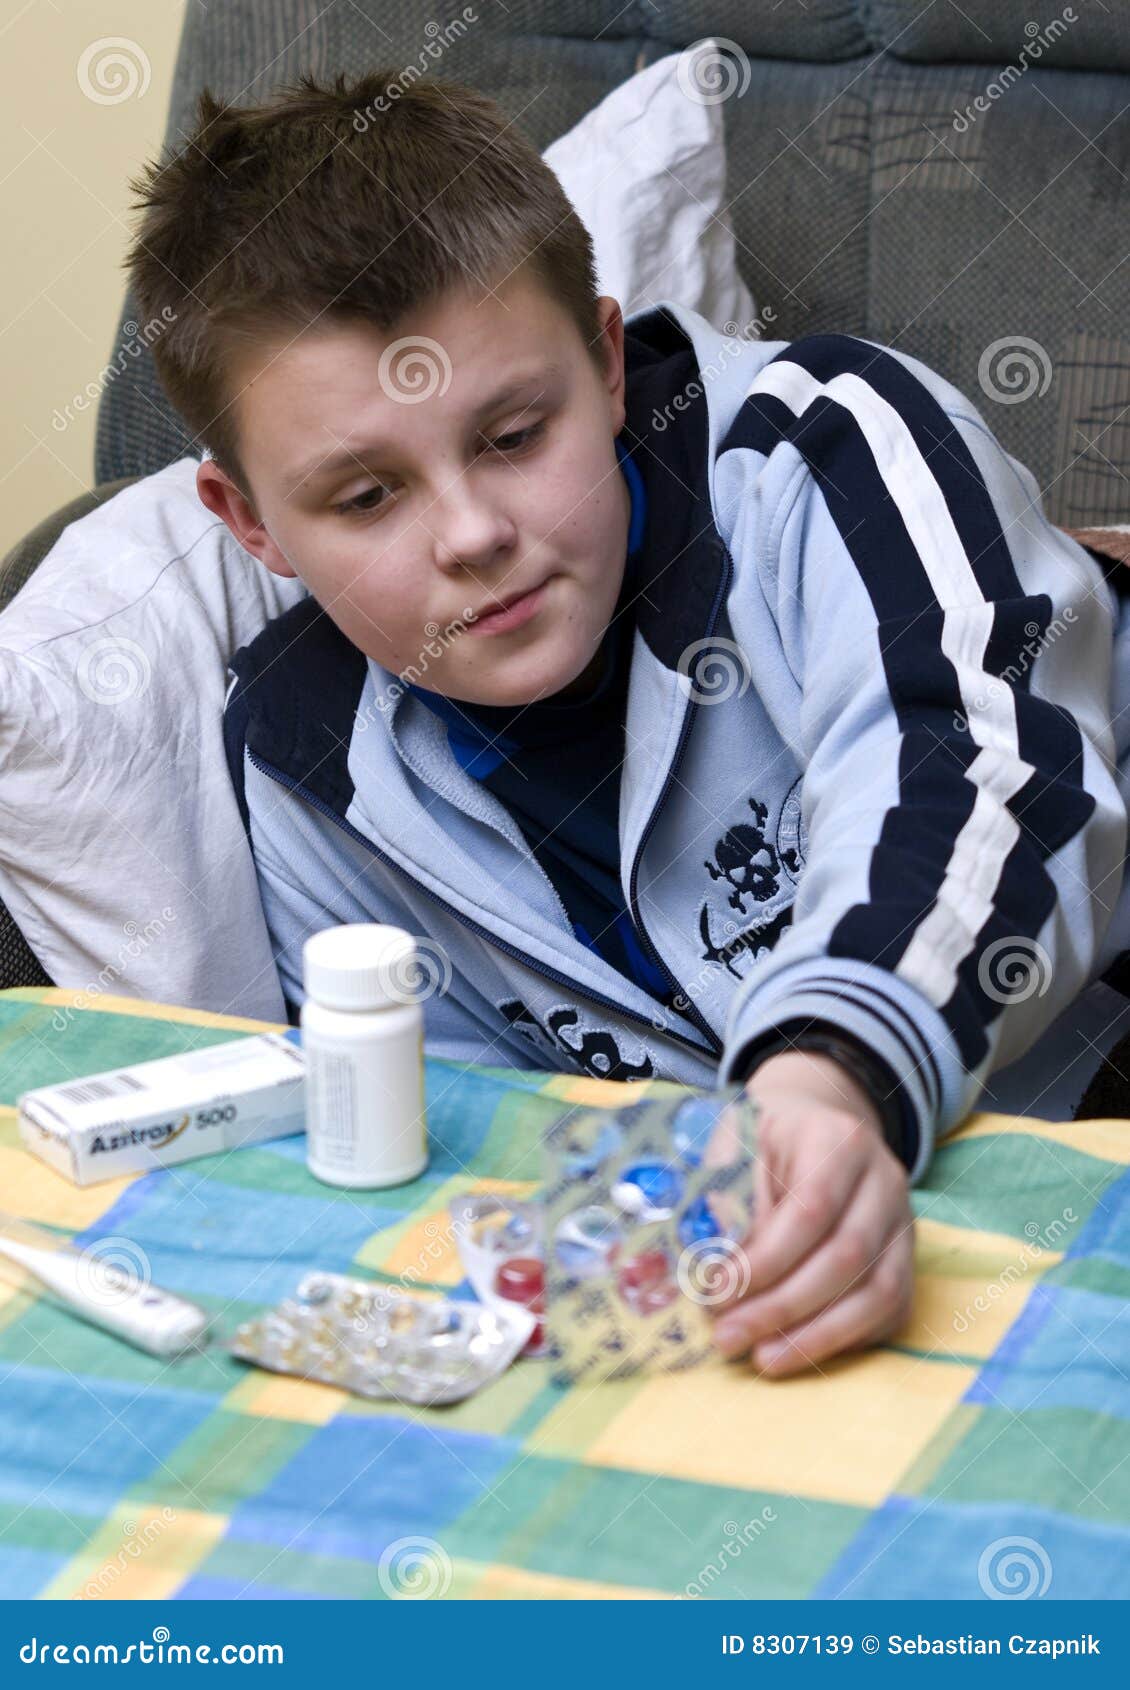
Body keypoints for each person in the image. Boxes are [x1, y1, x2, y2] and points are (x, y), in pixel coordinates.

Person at [121, 69, 1129, 1378]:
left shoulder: (827, 445)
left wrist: (825, 1083)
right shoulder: (301, 757)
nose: (475, 534)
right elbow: (457, 1121)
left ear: (606, 365)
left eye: (512, 433)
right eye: (366, 495)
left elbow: (970, 774)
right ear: (251, 522)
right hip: (789, 1255)